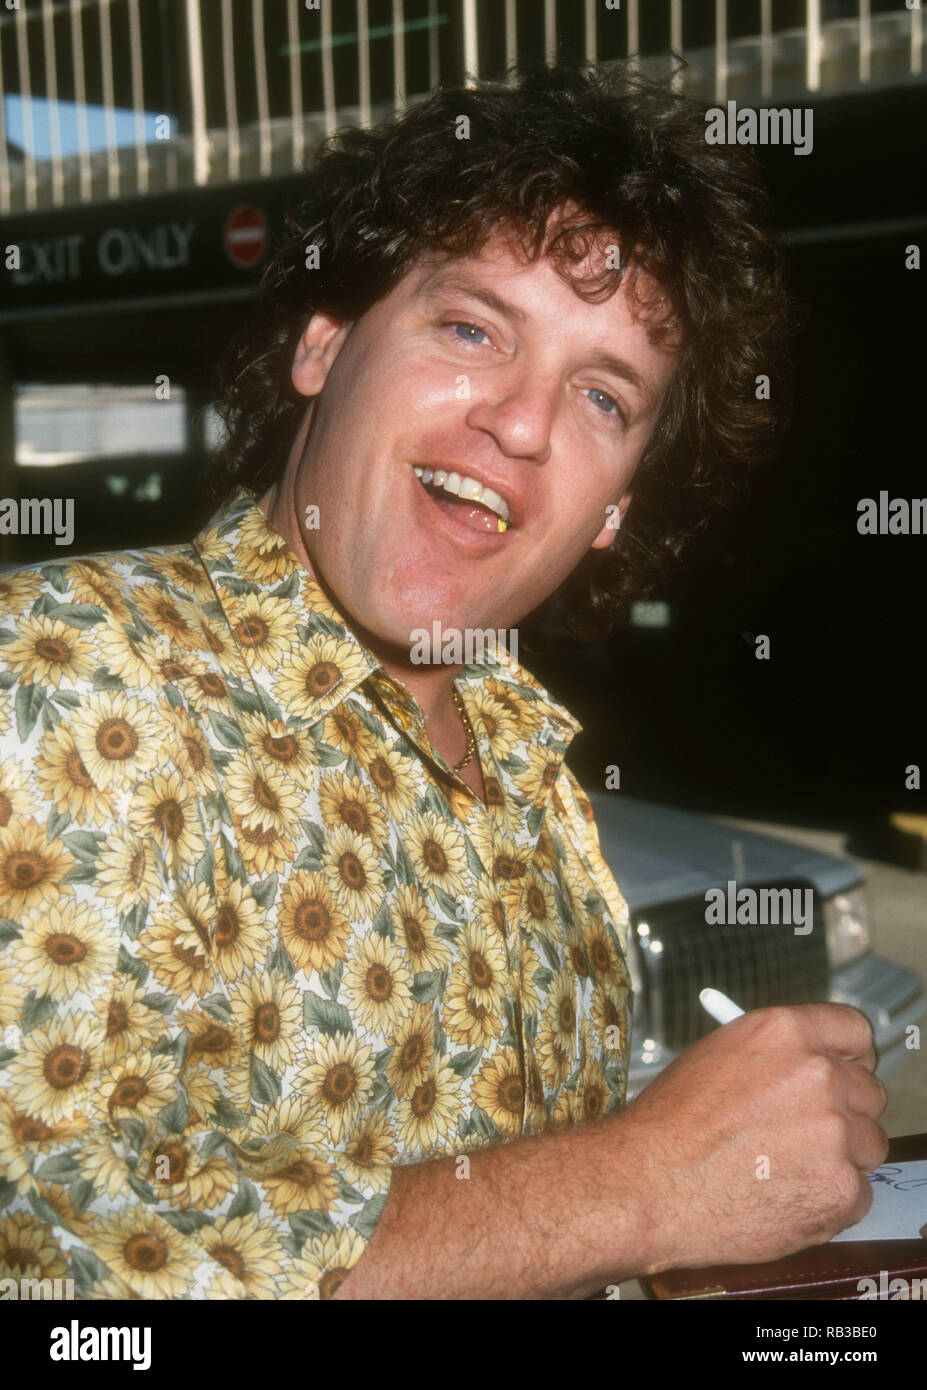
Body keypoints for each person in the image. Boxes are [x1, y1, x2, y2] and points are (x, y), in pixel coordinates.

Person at [0, 62, 887, 1301]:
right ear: (324, 342)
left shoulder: (532, 771)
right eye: (472, 328)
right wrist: (640, 1179)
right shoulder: (60, 678)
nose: (523, 425)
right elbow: (58, 1280)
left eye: (600, 394)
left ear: (614, 511)